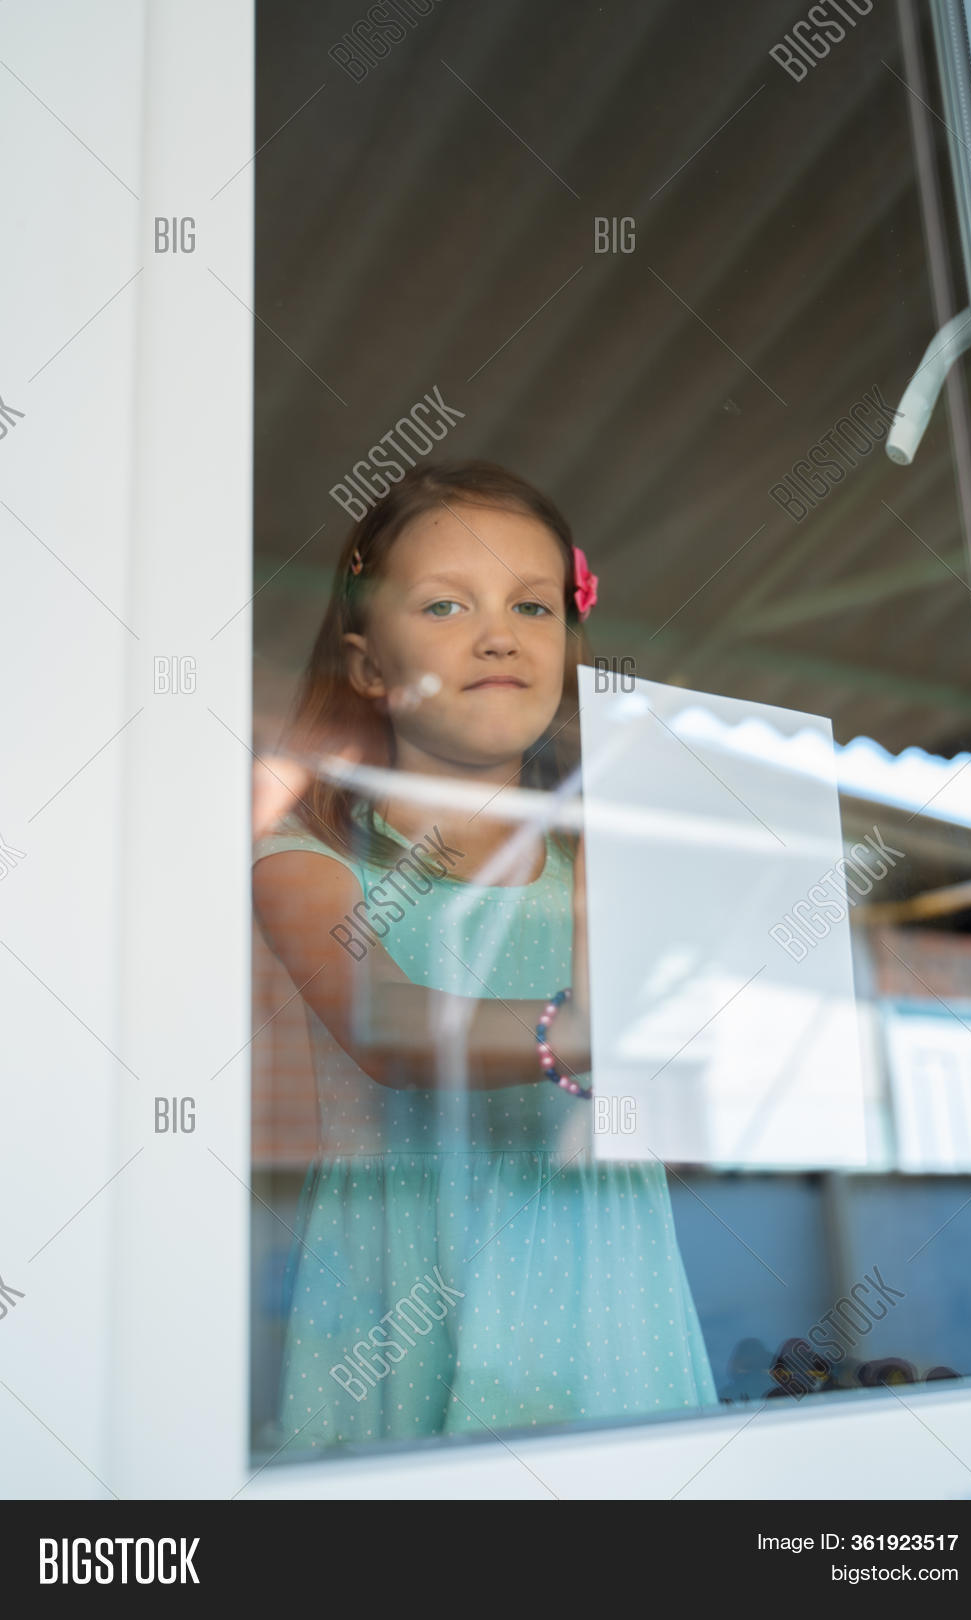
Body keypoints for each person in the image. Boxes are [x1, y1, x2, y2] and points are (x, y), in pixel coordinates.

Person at [252, 459, 717, 1450]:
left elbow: (680, 1090)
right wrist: (586, 1030)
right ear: (369, 666)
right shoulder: (304, 862)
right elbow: (387, 1025)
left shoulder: (603, 862)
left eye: (534, 607)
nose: (499, 632)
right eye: (447, 604)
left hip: (603, 1276)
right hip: (404, 1277)